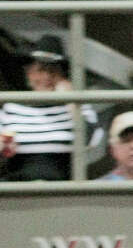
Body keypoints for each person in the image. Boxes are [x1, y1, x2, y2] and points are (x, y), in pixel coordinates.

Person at [0, 34, 98, 181]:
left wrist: (71, 101)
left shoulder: (77, 106)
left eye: (53, 70)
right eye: (40, 69)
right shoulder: (11, 108)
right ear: (28, 73)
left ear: (62, 75)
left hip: (63, 189)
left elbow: (91, 141)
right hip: (18, 189)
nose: (46, 77)